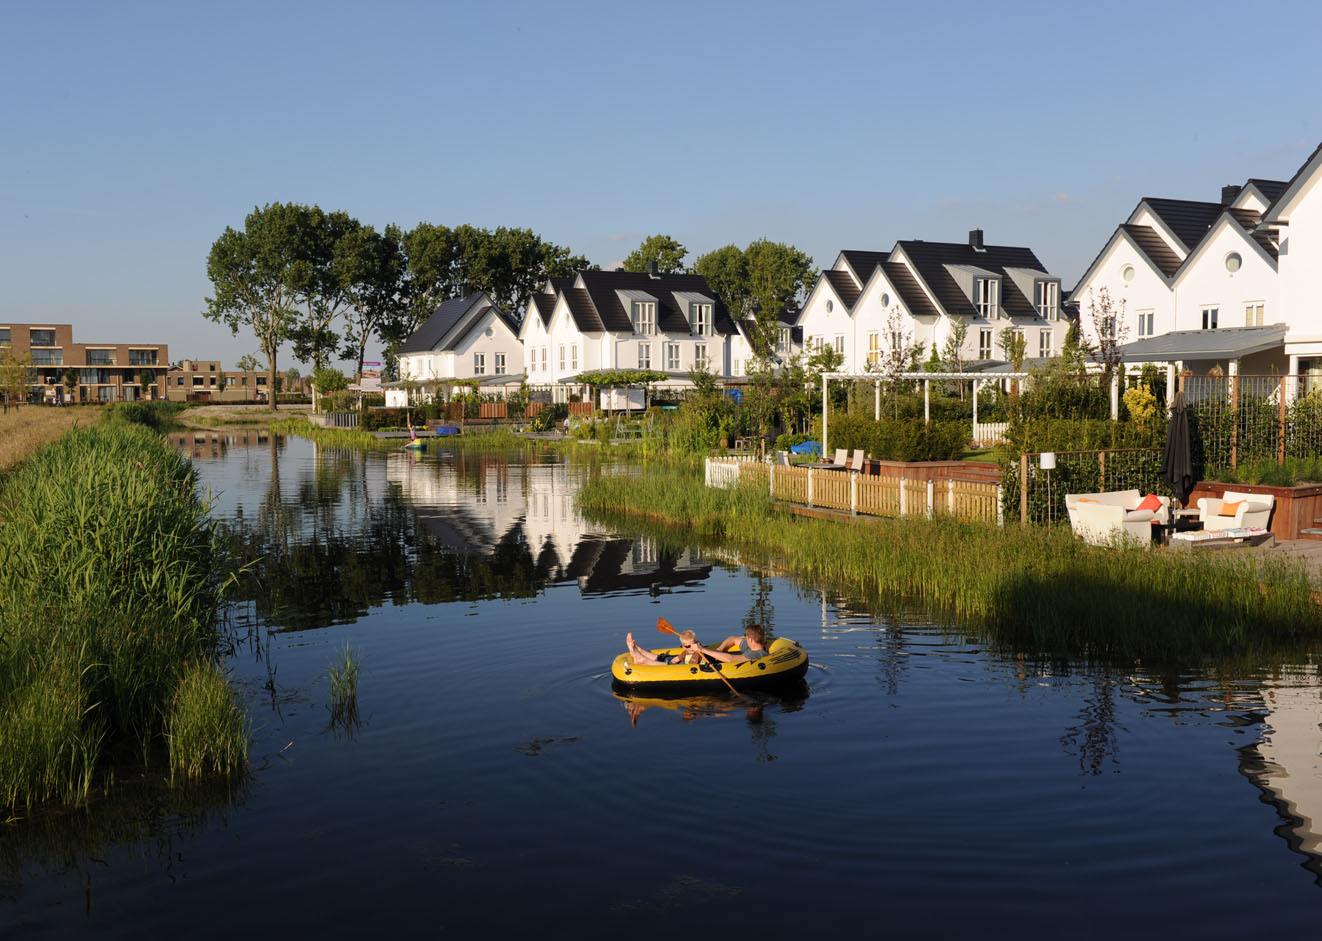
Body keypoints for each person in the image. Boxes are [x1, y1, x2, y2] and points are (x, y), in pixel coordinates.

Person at [625, 630, 704, 666]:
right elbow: (677, 659)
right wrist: (671, 662)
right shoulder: (686, 652)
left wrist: (668, 665)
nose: (692, 648)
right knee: (666, 658)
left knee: (665, 663)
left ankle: (642, 660)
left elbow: (690, 668)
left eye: (694, 644)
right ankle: (639, 651)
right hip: (680, 663)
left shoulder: (697, 653)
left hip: (686, 667)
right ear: (683, 646)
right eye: (688, 646)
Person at [699, 624, 771, 663]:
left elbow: (731, 659)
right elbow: (732, 639)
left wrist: (702, 650)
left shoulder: (758, 654)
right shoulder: (751, 646)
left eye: (746, 636)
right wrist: (719, 650)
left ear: (750, 639)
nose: (745, 638)